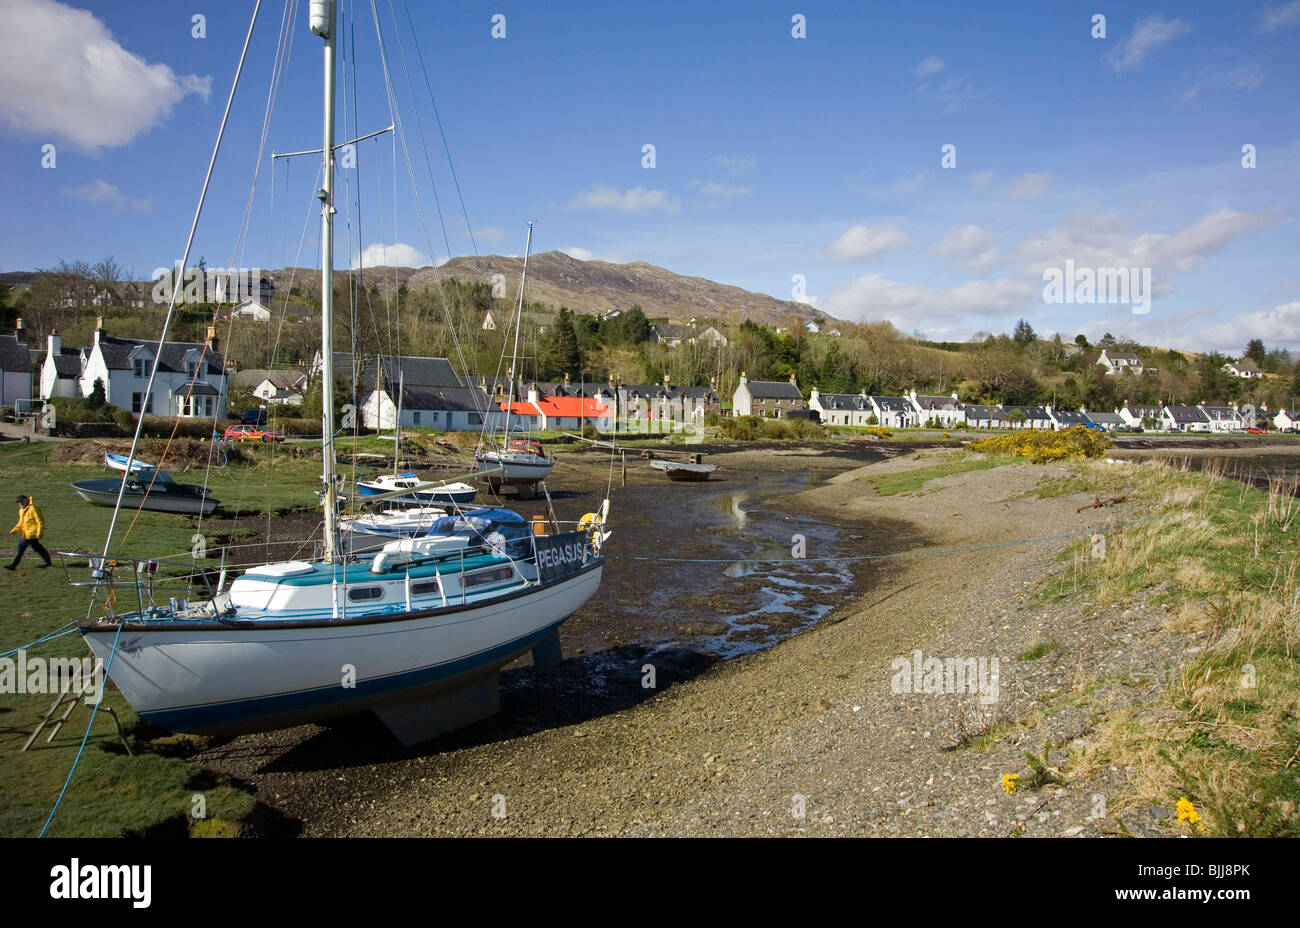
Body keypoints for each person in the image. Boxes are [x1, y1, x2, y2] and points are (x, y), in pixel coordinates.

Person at [7, 495, 52, 570]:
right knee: (37, 547)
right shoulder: (21, 510)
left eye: (21, 501)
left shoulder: (33, 509)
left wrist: (39, 533)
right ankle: (48, 562)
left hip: (32, 534)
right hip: (26, 534)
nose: (20, 503)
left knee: (21, 547)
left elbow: (40, 522)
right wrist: (15, 530)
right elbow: (21, 522)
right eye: (18, 502)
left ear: (26, 500)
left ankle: (13, 565)